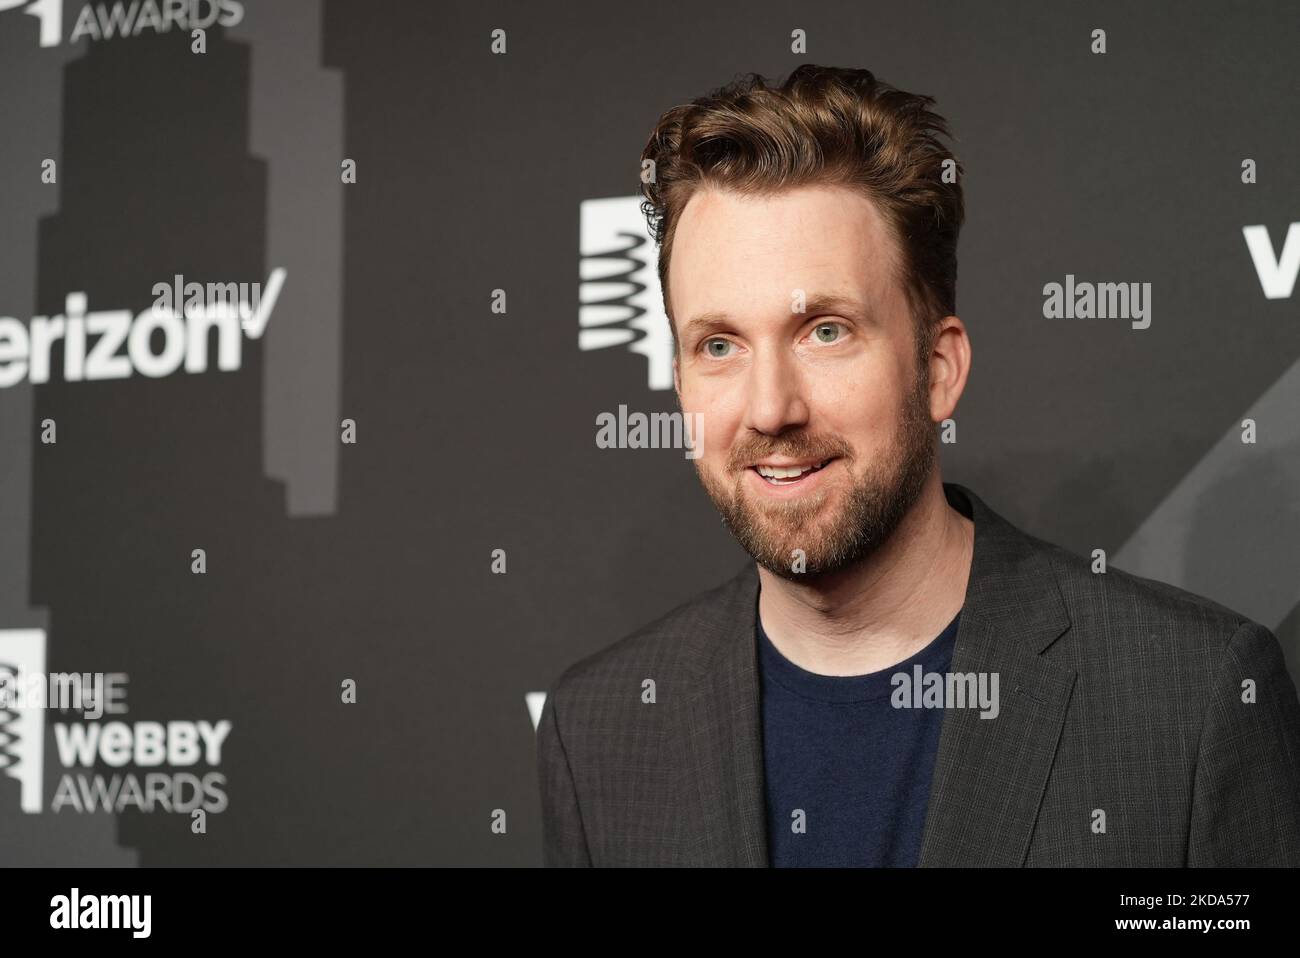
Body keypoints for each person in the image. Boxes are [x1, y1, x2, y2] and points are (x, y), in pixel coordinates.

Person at [537, 64, 1300, 866]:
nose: (769, 408)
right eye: (718, 345)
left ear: (938, 369)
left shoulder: (1191, 702)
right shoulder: (599, 735)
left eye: (824, 331)